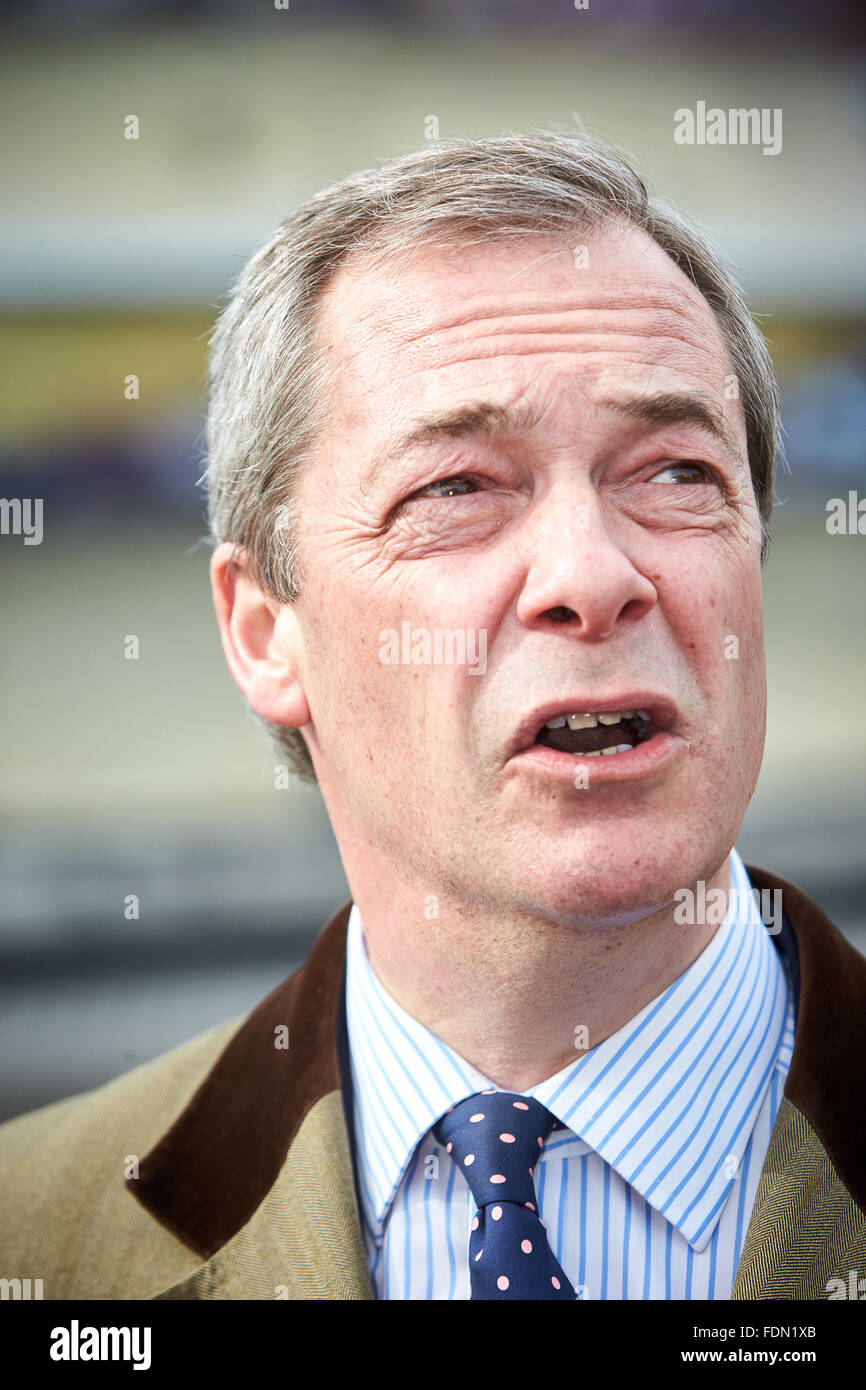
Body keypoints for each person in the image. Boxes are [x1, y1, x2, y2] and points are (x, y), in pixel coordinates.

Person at [2, 131, 864, 1302]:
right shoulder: (32, 1236)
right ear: (264, 630)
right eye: (454, 488)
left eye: (672, 472)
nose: (592, 572)